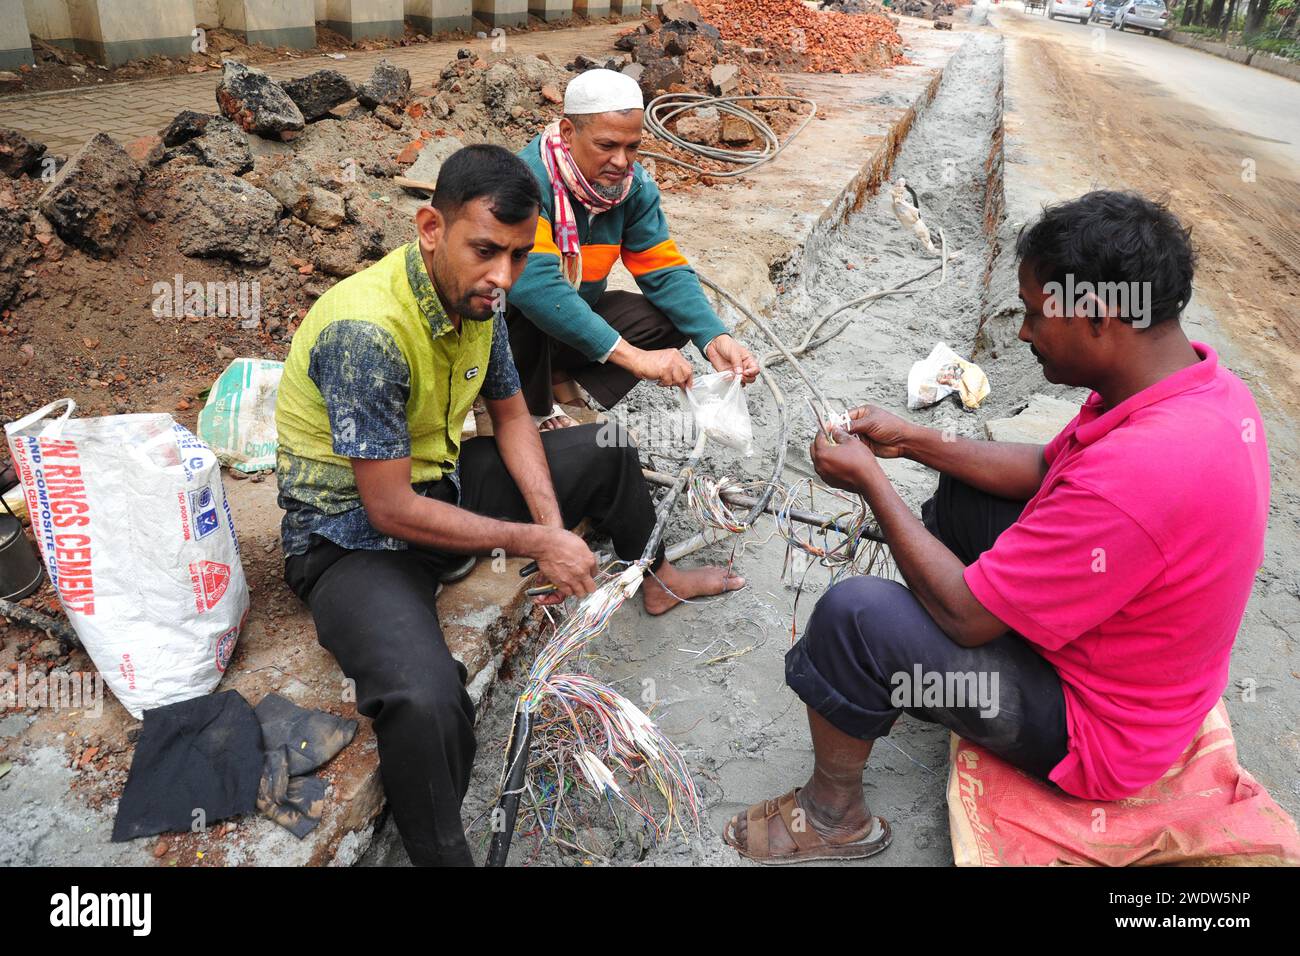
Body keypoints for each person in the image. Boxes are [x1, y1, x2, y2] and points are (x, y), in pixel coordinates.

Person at [724, 190, 1270, 864]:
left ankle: (833, 814)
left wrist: (871, 481)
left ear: (1096, 317)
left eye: (1035, 315)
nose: (1022, 334)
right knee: (963, 493)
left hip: (1099, 734)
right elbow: (1047, 466)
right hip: (1142, 664)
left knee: (855, 616)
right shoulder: (1191, 386)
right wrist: (915, 441)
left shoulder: (1140, 473)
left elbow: (965, 618)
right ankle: (922, 675)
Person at [274, 144, 744, 867]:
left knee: (609, 448)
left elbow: (515, 416)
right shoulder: (365, 332)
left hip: (440, 481)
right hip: (353, 537)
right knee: (426, 699)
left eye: (521, 256)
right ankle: (440, 851)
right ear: (431, 227)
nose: (503, 277)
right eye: (486, 250)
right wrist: (531, 541)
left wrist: (553, 528)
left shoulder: (479, 298)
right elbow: (389, 509)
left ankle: (657, 581)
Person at [506, 68, 760, 429]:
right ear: (567, 132)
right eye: (606, 146)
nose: (622, 162)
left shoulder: (634, 188)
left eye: (632, 147)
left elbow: (665, 270)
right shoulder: (525, 180)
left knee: (672, 317)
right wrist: (634, 357)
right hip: (510, 327)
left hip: (567, 321)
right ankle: (526, 404)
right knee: (531, 298)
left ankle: (555, 373)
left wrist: (714, 338)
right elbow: (535, 286)